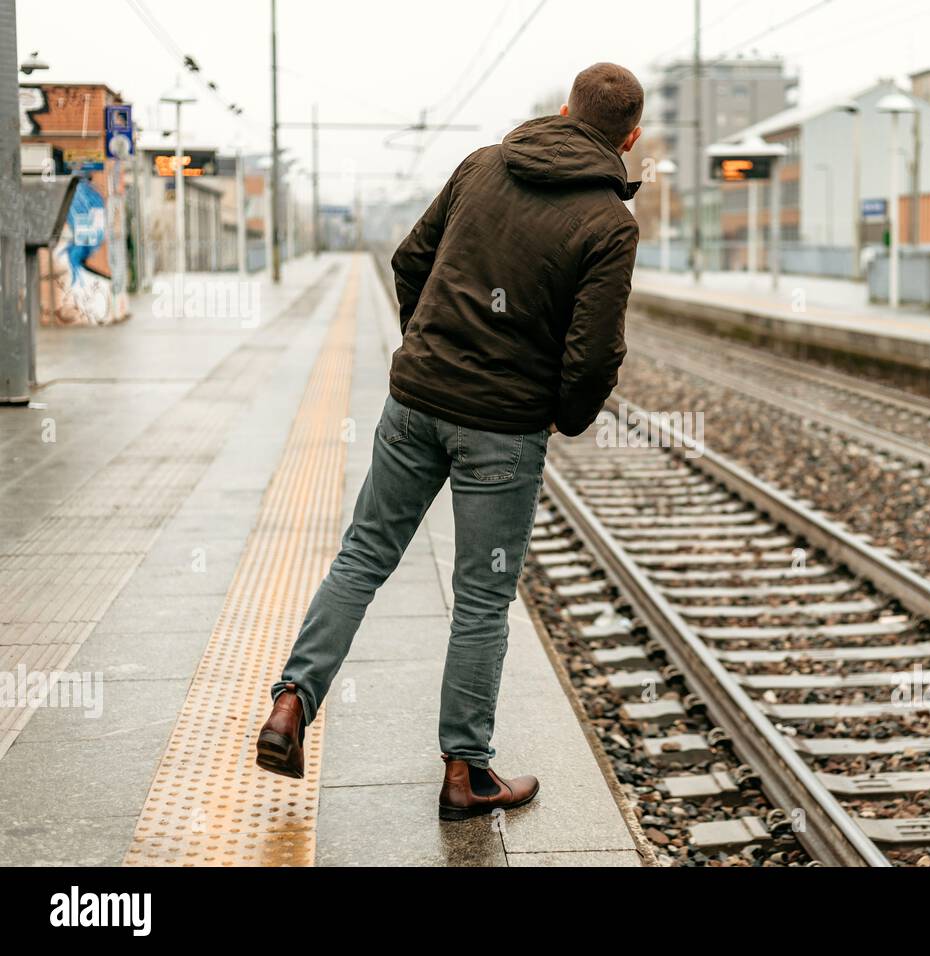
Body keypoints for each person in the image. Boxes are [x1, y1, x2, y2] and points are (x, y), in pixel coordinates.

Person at [255, 62, 643, 821]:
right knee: (482, 598)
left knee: (362, 556)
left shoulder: (482, 166)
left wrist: (428, 350)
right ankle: (465, 775)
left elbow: (409, 260)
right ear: (629, 139)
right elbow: (592, 356)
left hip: (415, 405)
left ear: (563, 108)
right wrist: (559, 415)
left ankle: (291, 705)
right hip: (502, 430)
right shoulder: (609, 222)